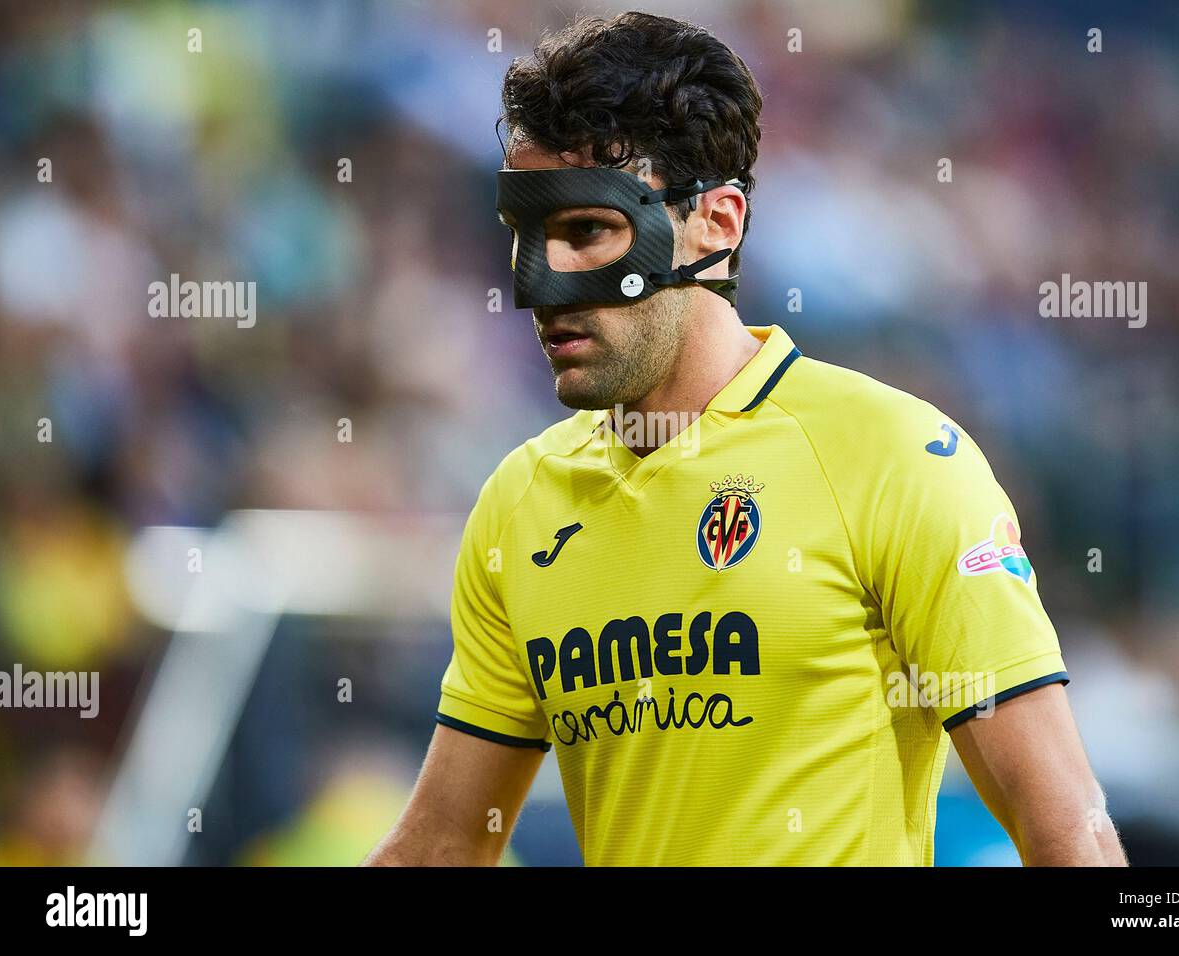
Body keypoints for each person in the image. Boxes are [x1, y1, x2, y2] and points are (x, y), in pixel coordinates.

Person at [365, 11, 1126, 866]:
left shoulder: (892, 458)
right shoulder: (520, 506)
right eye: (524, 237)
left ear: (717, 224)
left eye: (586, 231)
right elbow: (441, 845)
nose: (539, 284)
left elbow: (1063, 826)